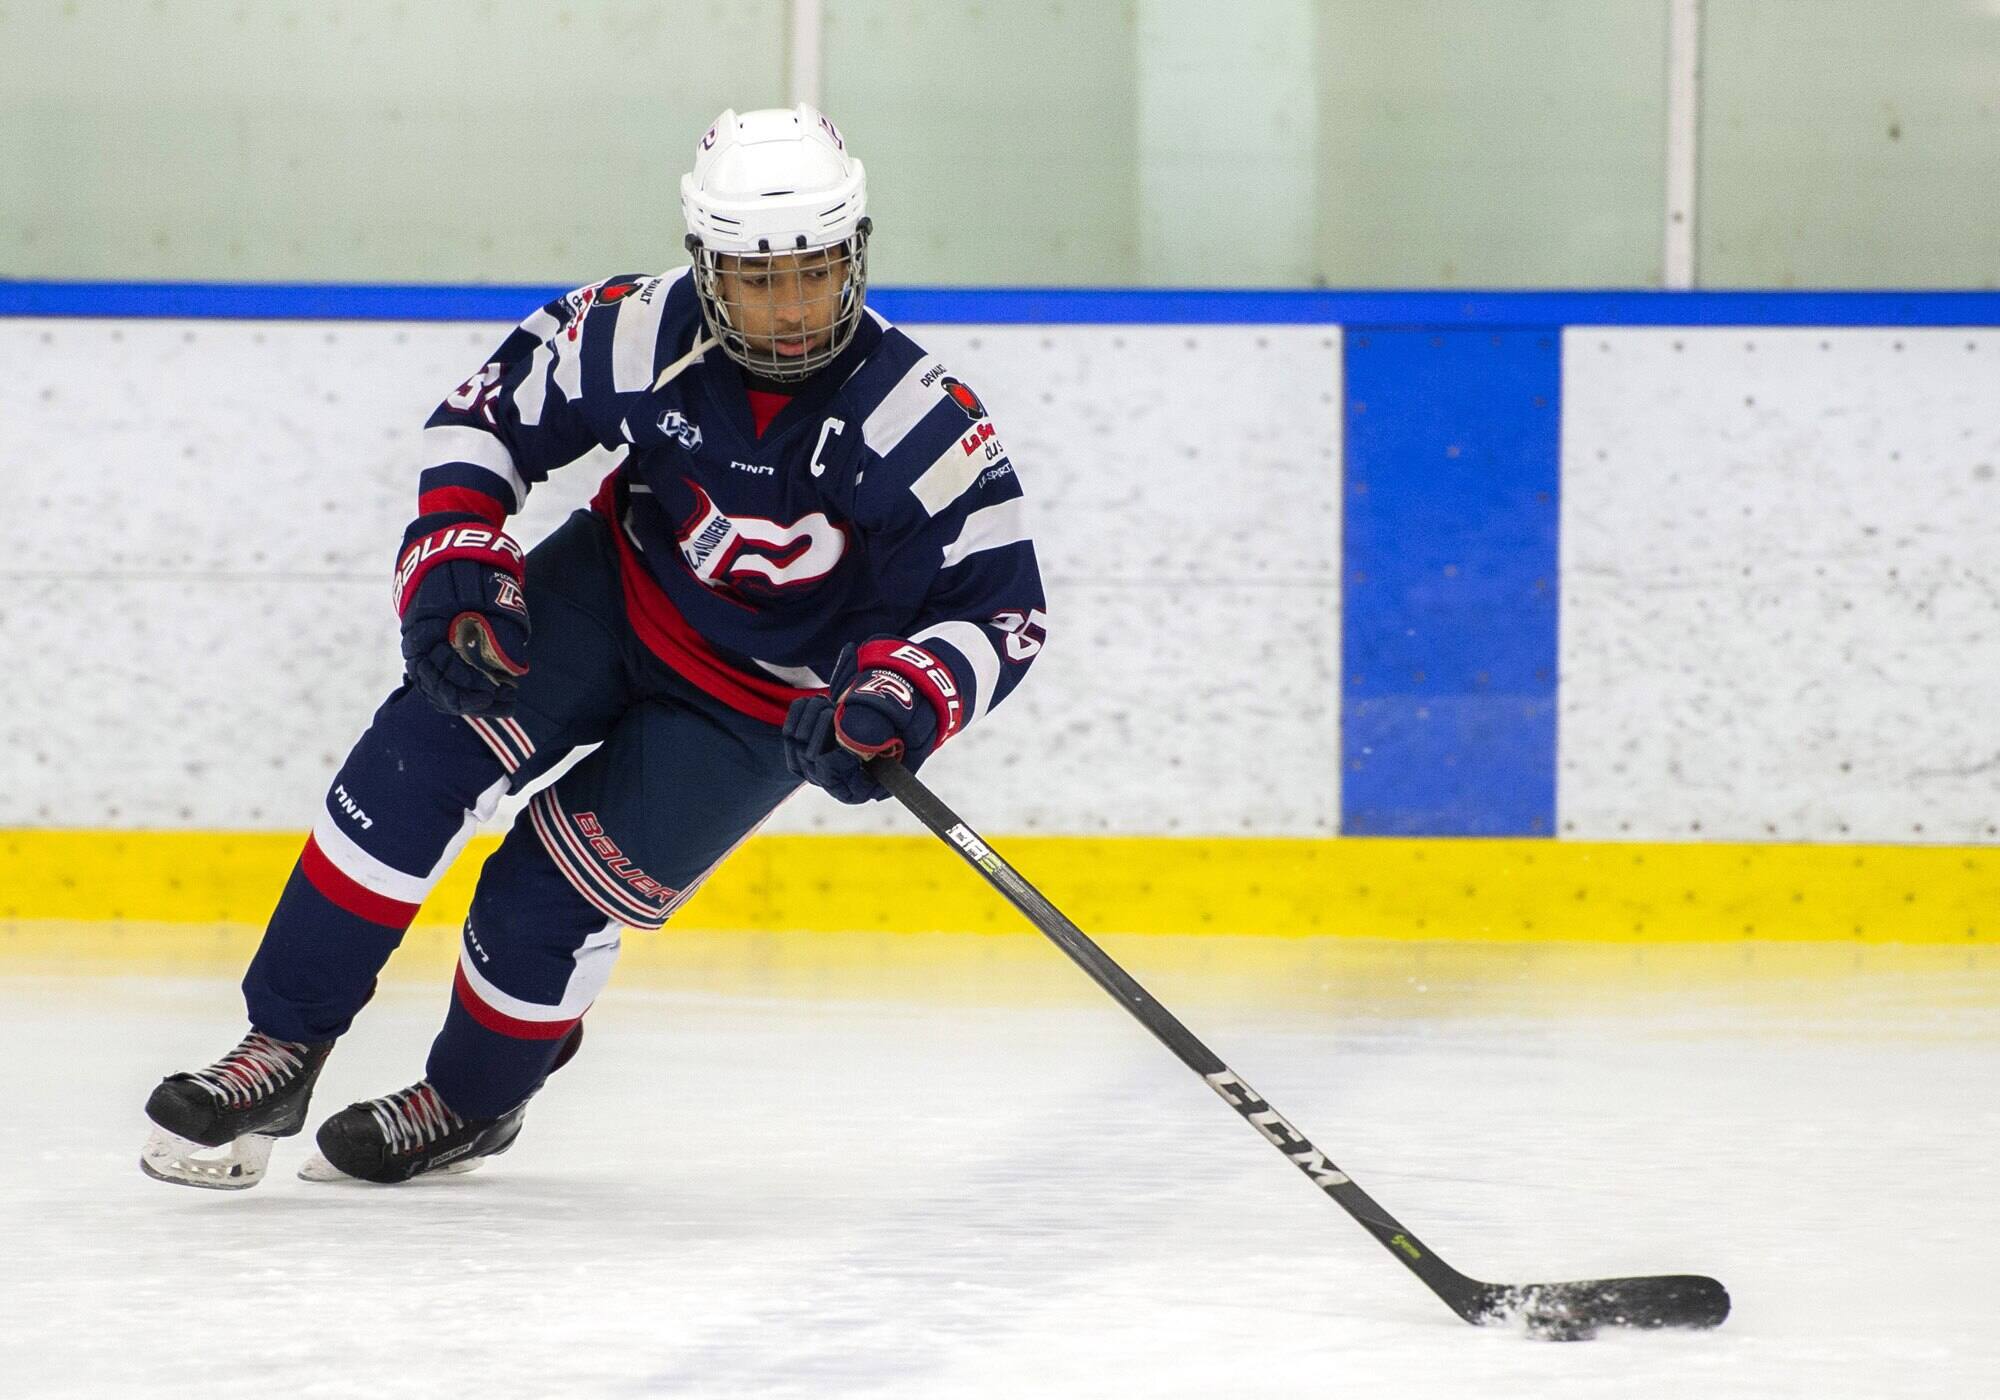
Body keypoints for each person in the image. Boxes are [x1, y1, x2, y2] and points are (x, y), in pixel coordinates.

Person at [139, 104, 1048, 1189]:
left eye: (812, 271)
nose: (791, 306)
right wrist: (456, 550)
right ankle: (281, 1043)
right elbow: (484, 422)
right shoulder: (637, 330)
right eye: (758, 279)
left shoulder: (919, 418)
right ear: (705, 265)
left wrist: (900, 696)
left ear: (855, 252)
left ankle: (472, 1101)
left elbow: (1000, 608)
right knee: (414, 758)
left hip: (758, 702)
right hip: (609, 593)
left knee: (543, 897)